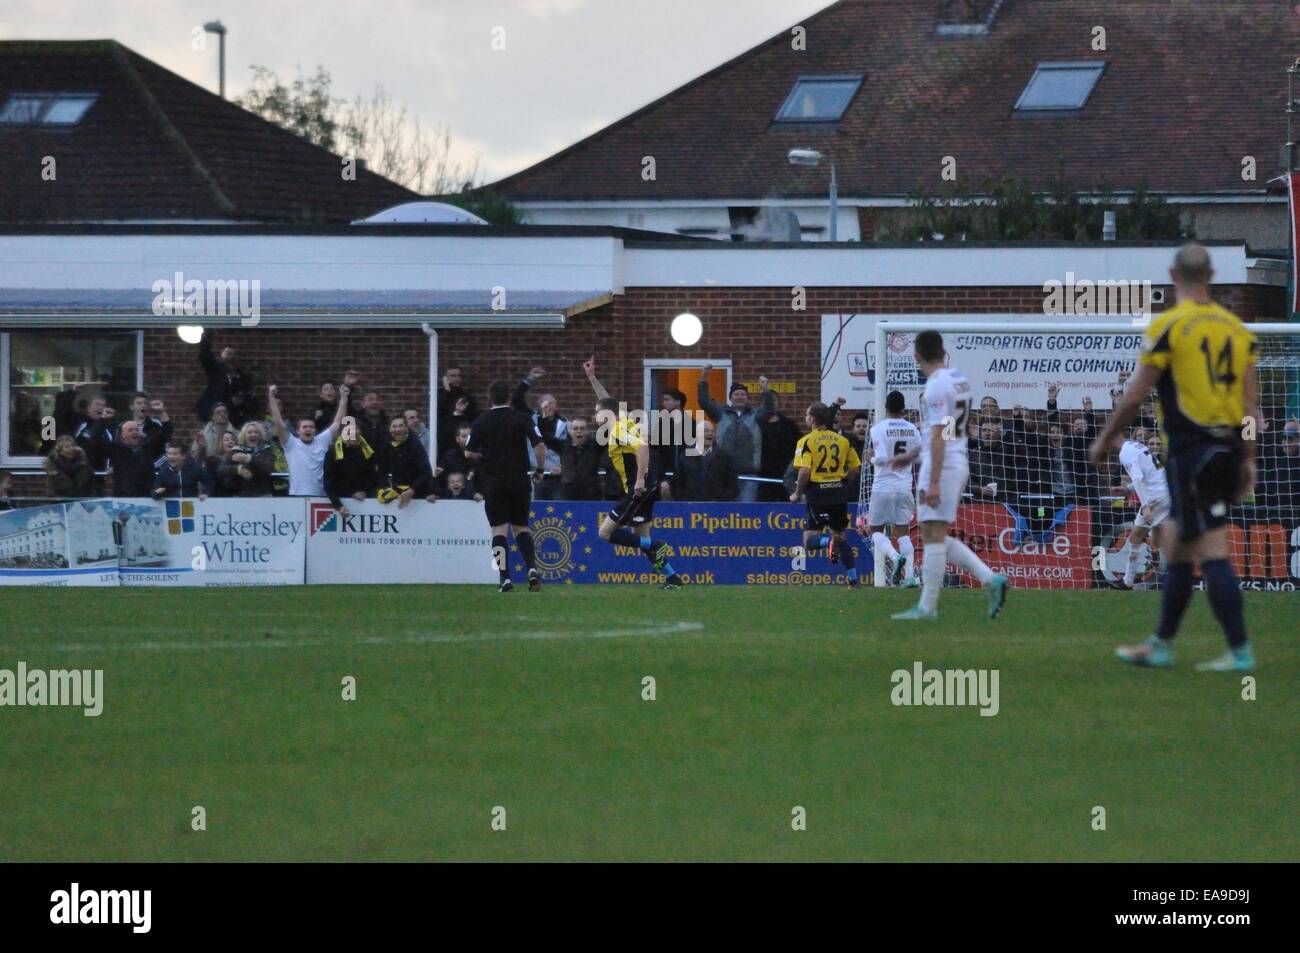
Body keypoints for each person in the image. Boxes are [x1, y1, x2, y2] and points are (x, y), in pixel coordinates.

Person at [1091, 243, 1259, 671]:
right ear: (1212, 274)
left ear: (1172, 274)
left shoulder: (1170, 325)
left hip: (1191, 451)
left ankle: (1239, 651)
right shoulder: (1237, 330)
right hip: (1226, 451)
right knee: (1175, 541)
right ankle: (1161, 643)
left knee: (1211, 550)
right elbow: (1251, 411)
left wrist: (1106, 438)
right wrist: (1249, 459)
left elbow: (1134, 395)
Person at [892, 330, 1008, 621]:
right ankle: (988, 578)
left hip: (941, 465)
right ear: (943, 351)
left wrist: (932, 479)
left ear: (917, 355)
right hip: (956, 460)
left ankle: (927, 607)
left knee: (931, 534)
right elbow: (950, 430)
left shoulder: (934, 387)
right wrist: (913, 454)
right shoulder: (959, 379)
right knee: (935, 534)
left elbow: (941, 432)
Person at [583, 357, 684, 588]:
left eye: (597, 413)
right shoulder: (624, 421)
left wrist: (639, 481)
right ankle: (673, 577)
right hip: (648, 489)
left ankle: (656, 547)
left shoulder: (618, 430)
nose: (595, 416)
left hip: (639, 490)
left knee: (605, 533)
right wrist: (592, 378)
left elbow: (642, 447)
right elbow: (606, 400)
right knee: (642, 536)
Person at [464, 380, 548, 592]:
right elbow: (539, 446)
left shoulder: (481, 422)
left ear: (489, 398)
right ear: (509, 398)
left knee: (498, 530)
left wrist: (488, 456)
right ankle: (532, 570)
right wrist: (539, 469)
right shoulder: (522, 418)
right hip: (519, 479)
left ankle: (505, 578)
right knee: (521, 527)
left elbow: (468, 452)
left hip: (494, 481)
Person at [789, 402, 863, 588]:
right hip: (838, 493)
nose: (806, 418)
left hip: (818, 493)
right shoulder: (842, 440)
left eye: (807, 415)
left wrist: (797, 493)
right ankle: (853, 580)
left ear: (813, 419)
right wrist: (844, 483)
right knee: (841, 536)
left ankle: (828, 541)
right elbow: (855, 468)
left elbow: (805, 471)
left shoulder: (805, 441)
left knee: (809, 541)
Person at [696, 366, 777, 503]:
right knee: (722, 514)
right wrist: (704, 377)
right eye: (736, 394)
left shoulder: (756, 415)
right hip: (723, 473)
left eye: (743, 395)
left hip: (748, 474)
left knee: (746, 514)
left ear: (747, 398)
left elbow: (770, 409)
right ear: (731, 398)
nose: (740, 397)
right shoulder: (721, 413)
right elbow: (704, 401)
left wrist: (765, 390)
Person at [866, 391, 922, 587]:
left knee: (874, 530)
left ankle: (894, 555)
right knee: (903, 531)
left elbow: (881, 459)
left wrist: (870, 458)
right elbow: (920, 457)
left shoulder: (878, 429)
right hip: (904, 487)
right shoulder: (913, 429)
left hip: (883, 486)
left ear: (886, 408)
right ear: (903, 409)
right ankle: (910, 577)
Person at [268, 383, 350, 497]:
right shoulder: (291, 443)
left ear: (315, 430)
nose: (308, 429)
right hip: (297, 496)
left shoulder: (322, 440)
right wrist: (271, 397)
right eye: (305, 427)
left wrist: (344, 397)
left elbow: (338, 421)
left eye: (311, 427)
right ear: (298, 431)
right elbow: (279, 422)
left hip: (321, 497)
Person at [1116, 426, 1171, 588]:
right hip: (1165, 496)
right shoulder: (1142, 451)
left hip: (1155, 499)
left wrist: (1145, 506)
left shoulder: (1127, 453)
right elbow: (1147, 478)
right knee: (1157, 537)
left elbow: (1140, 479)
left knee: (1135, 538)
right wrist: (1128, 489)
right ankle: (1153, 555)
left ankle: (1128, 580)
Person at [511, 367, 568, 500]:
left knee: (557, 511)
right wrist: (530, 379)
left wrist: (564, 467)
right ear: (539, 405)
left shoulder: (566, 424)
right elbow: (516, 400)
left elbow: (569, 450)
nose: (548, 406)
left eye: (551, 403)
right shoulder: (531, 418)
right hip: (535, 473)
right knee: (535, 512)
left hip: (557, 476)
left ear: (557, 406)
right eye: (544, 403)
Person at [195, 331, 258, 426]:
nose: (231, 357)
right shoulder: (215, 370)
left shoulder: (242, 377)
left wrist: (241, 401)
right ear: (222, 355)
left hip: (234, 419)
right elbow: (205, 356)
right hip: (214, 415)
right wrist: (205, 337)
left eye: (233, 354)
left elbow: (249, 397)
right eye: (228, 354)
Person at [107, 412, 174, 498]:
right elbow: (94, 441)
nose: (135, 432)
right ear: (122, 435)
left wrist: (161, 412)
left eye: (136, 429)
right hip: (123, 497)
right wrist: (103, 420)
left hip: (145, 496)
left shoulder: (147, 447)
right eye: (130, 430)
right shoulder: (115, 449)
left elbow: (166, 432)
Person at [669, 419, 738, 502]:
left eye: (712, 431)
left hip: (716, 511)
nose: (710, 434)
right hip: (690, 509)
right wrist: (685, 502)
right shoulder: (685, 456)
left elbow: (733, 486)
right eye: (706, 431)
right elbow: (677, 484)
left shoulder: (724, 457)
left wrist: (720, 501)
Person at [378, 416, 437, 508]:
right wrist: (385, 488)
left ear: (406, 428)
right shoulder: (385, 445)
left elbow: (426, 472)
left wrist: (412, 490)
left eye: (400, 426)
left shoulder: (415, 444)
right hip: (395, 493)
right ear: (389, 429)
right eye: (394, 426)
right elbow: (382, 471)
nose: (397, 429)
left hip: (417, 494)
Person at [324, 425, 381, 514]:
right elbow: (329, 483)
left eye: (356, 430)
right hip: (342, 503)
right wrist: (339, 505)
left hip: (366, 502)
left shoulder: (367, 450)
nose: (353, 433)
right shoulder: (333, 452)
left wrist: (365, 491)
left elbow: (373, 477)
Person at [220, 422, 277, 497]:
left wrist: (249, 458)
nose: (253, 434)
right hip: (240, 494)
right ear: (244, 436)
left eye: (256, 432)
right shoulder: (236, 450)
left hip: (262, 494)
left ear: (260, 435)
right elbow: (221, 469)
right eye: (249, 432)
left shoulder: (267, 450)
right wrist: (238, 469)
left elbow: (268, 469)